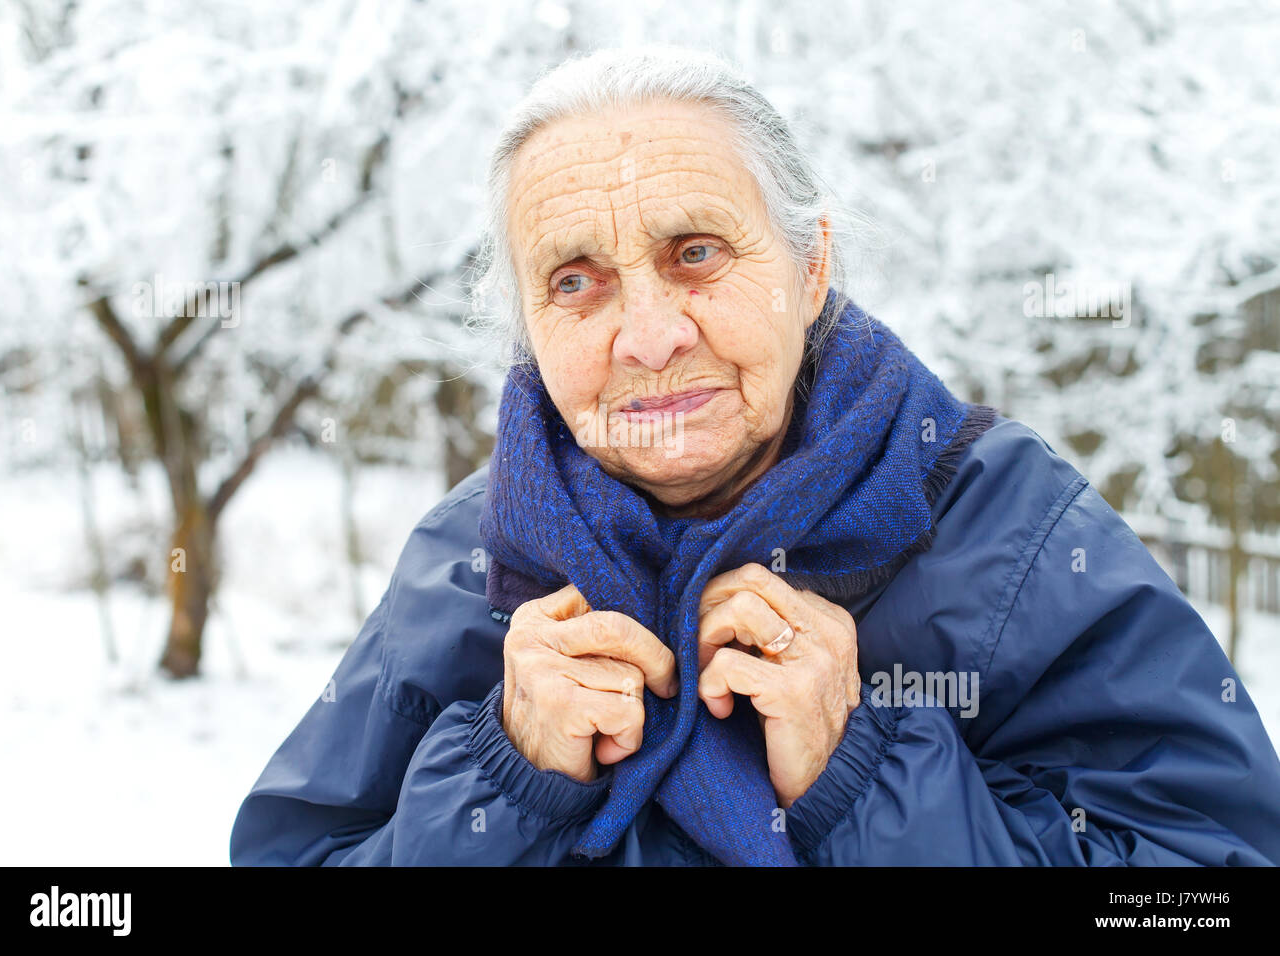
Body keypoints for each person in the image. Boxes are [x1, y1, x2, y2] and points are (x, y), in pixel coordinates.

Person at [229, 45, 1280, 866]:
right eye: (574, 281)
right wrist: (504, 778)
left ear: (812, 266)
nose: (646, 336)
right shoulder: (471, 550)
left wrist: (864, 776)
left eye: (695, 253)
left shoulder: (1006, 523)